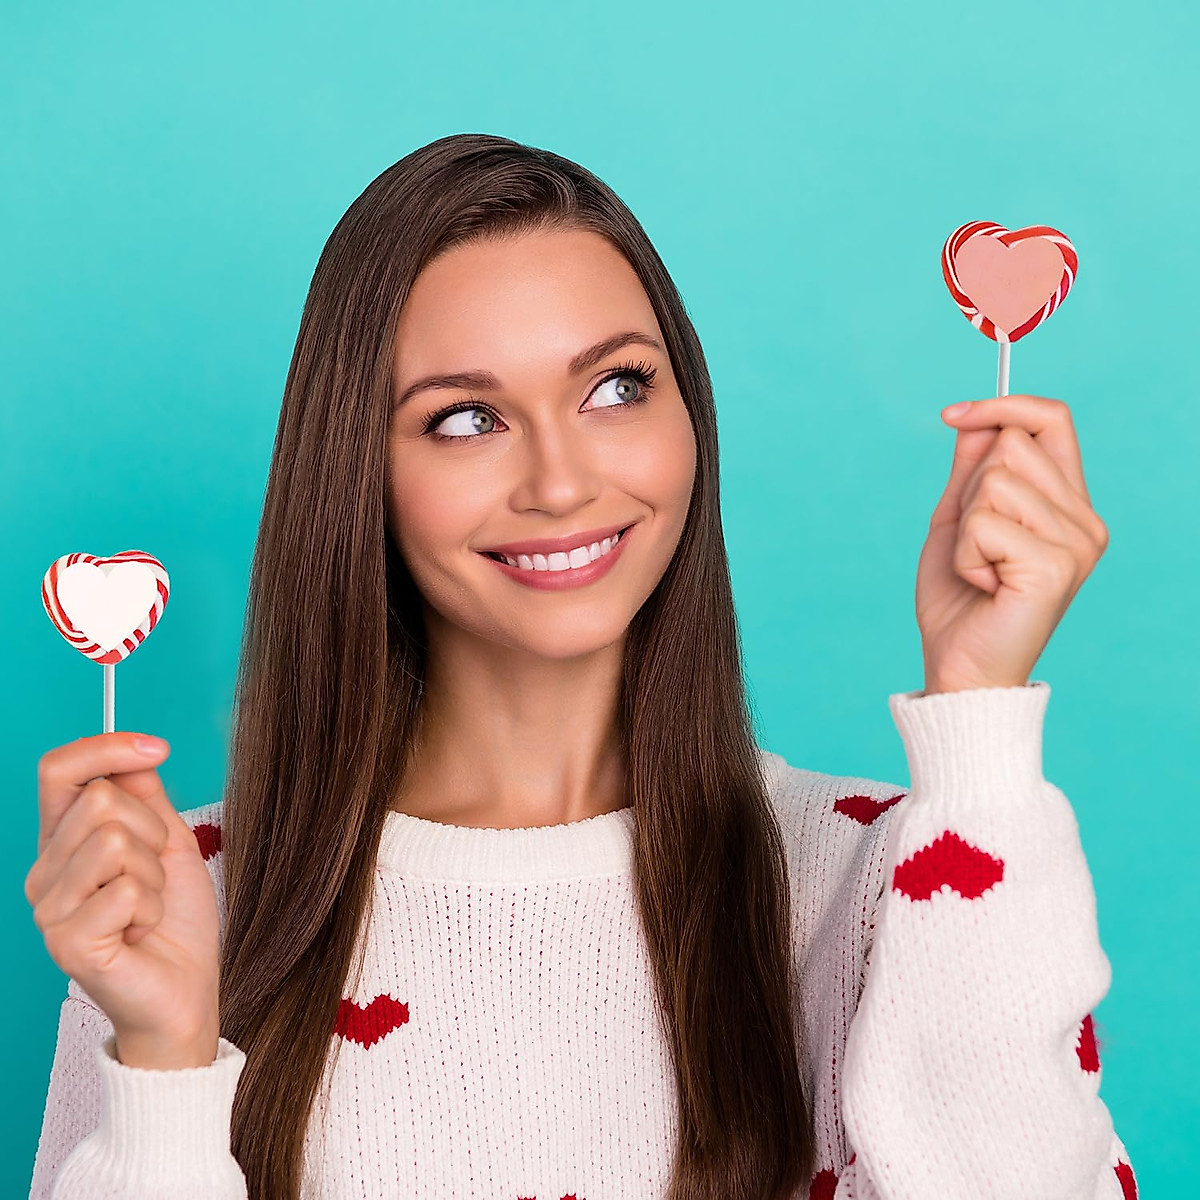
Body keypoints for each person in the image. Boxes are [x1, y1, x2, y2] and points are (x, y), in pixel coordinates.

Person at [25, 133, 1138, 1200]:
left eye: (615, 388)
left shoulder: (891, 875)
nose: (561, 482)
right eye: (465, 418)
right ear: (358, 472)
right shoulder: (186, 898)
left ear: (689, 411)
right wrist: (165, 1061)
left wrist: (980, 718)